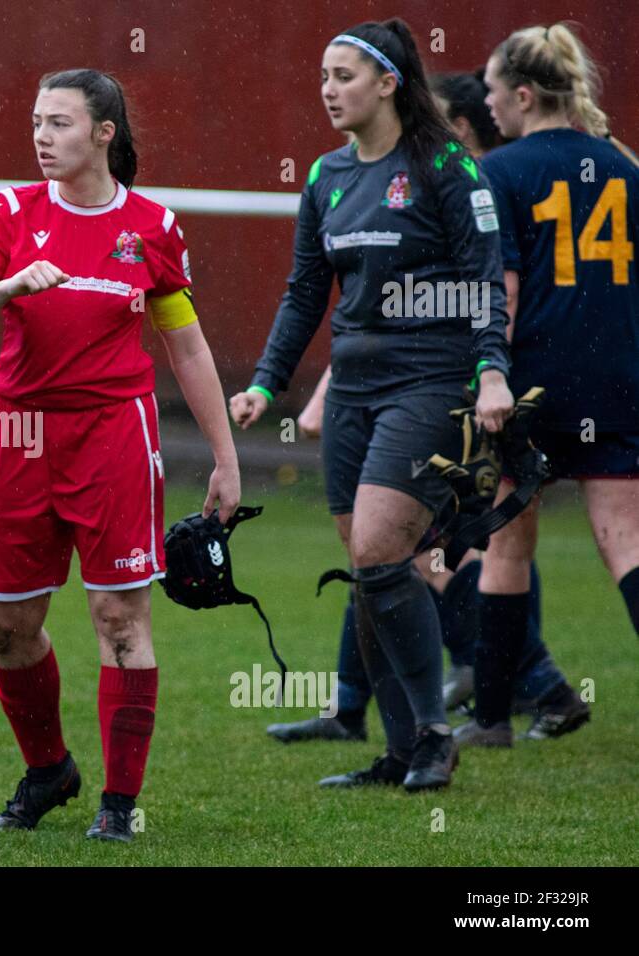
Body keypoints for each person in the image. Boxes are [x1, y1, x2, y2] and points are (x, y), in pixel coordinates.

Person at [0, 69, 240, 842]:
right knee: (8, 627)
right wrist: (10, 284)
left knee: (119, 615)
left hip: (114, 430)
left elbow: (187, 346)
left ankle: (117, 804)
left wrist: (226, 457)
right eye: (37, 121)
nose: (42, 137)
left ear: (104, 133)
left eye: (61, 123)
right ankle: (49, 770)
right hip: (18, 432)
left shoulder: (151, 226)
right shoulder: (11, 212)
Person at [230, 20, 515, 792]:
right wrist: (265, 382)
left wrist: (492, 372)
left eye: (345, 75)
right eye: (323, 75)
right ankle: (398, 751)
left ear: (389, 83)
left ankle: (432, 735)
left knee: (380, 550)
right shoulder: (325, 177)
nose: (328, 89)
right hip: (353, 391)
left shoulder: (447, 166)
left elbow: (488, 278)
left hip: (430, 385)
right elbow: (302, 295)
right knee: (372, 571)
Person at [269, 69, 583, 746]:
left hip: (457, 390)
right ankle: (360, 708)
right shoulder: (356, 180)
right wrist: (317, 388)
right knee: (384, 555)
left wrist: (489, 378)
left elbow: (481, 296)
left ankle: (523, 682)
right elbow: (368, 305)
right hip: (419, 387)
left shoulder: (456, 181)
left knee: (416, 555)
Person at [454, 23, 639, 747]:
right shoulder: (622, 166)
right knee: (625, 546)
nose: (488, 105)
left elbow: (499, 289)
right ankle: (501, 714)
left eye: (495, 91)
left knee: (507, 547)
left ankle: (492, 719)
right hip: (619, 377)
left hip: (532, 382)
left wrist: (489, 372)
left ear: (525, 94)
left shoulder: (501, 171)